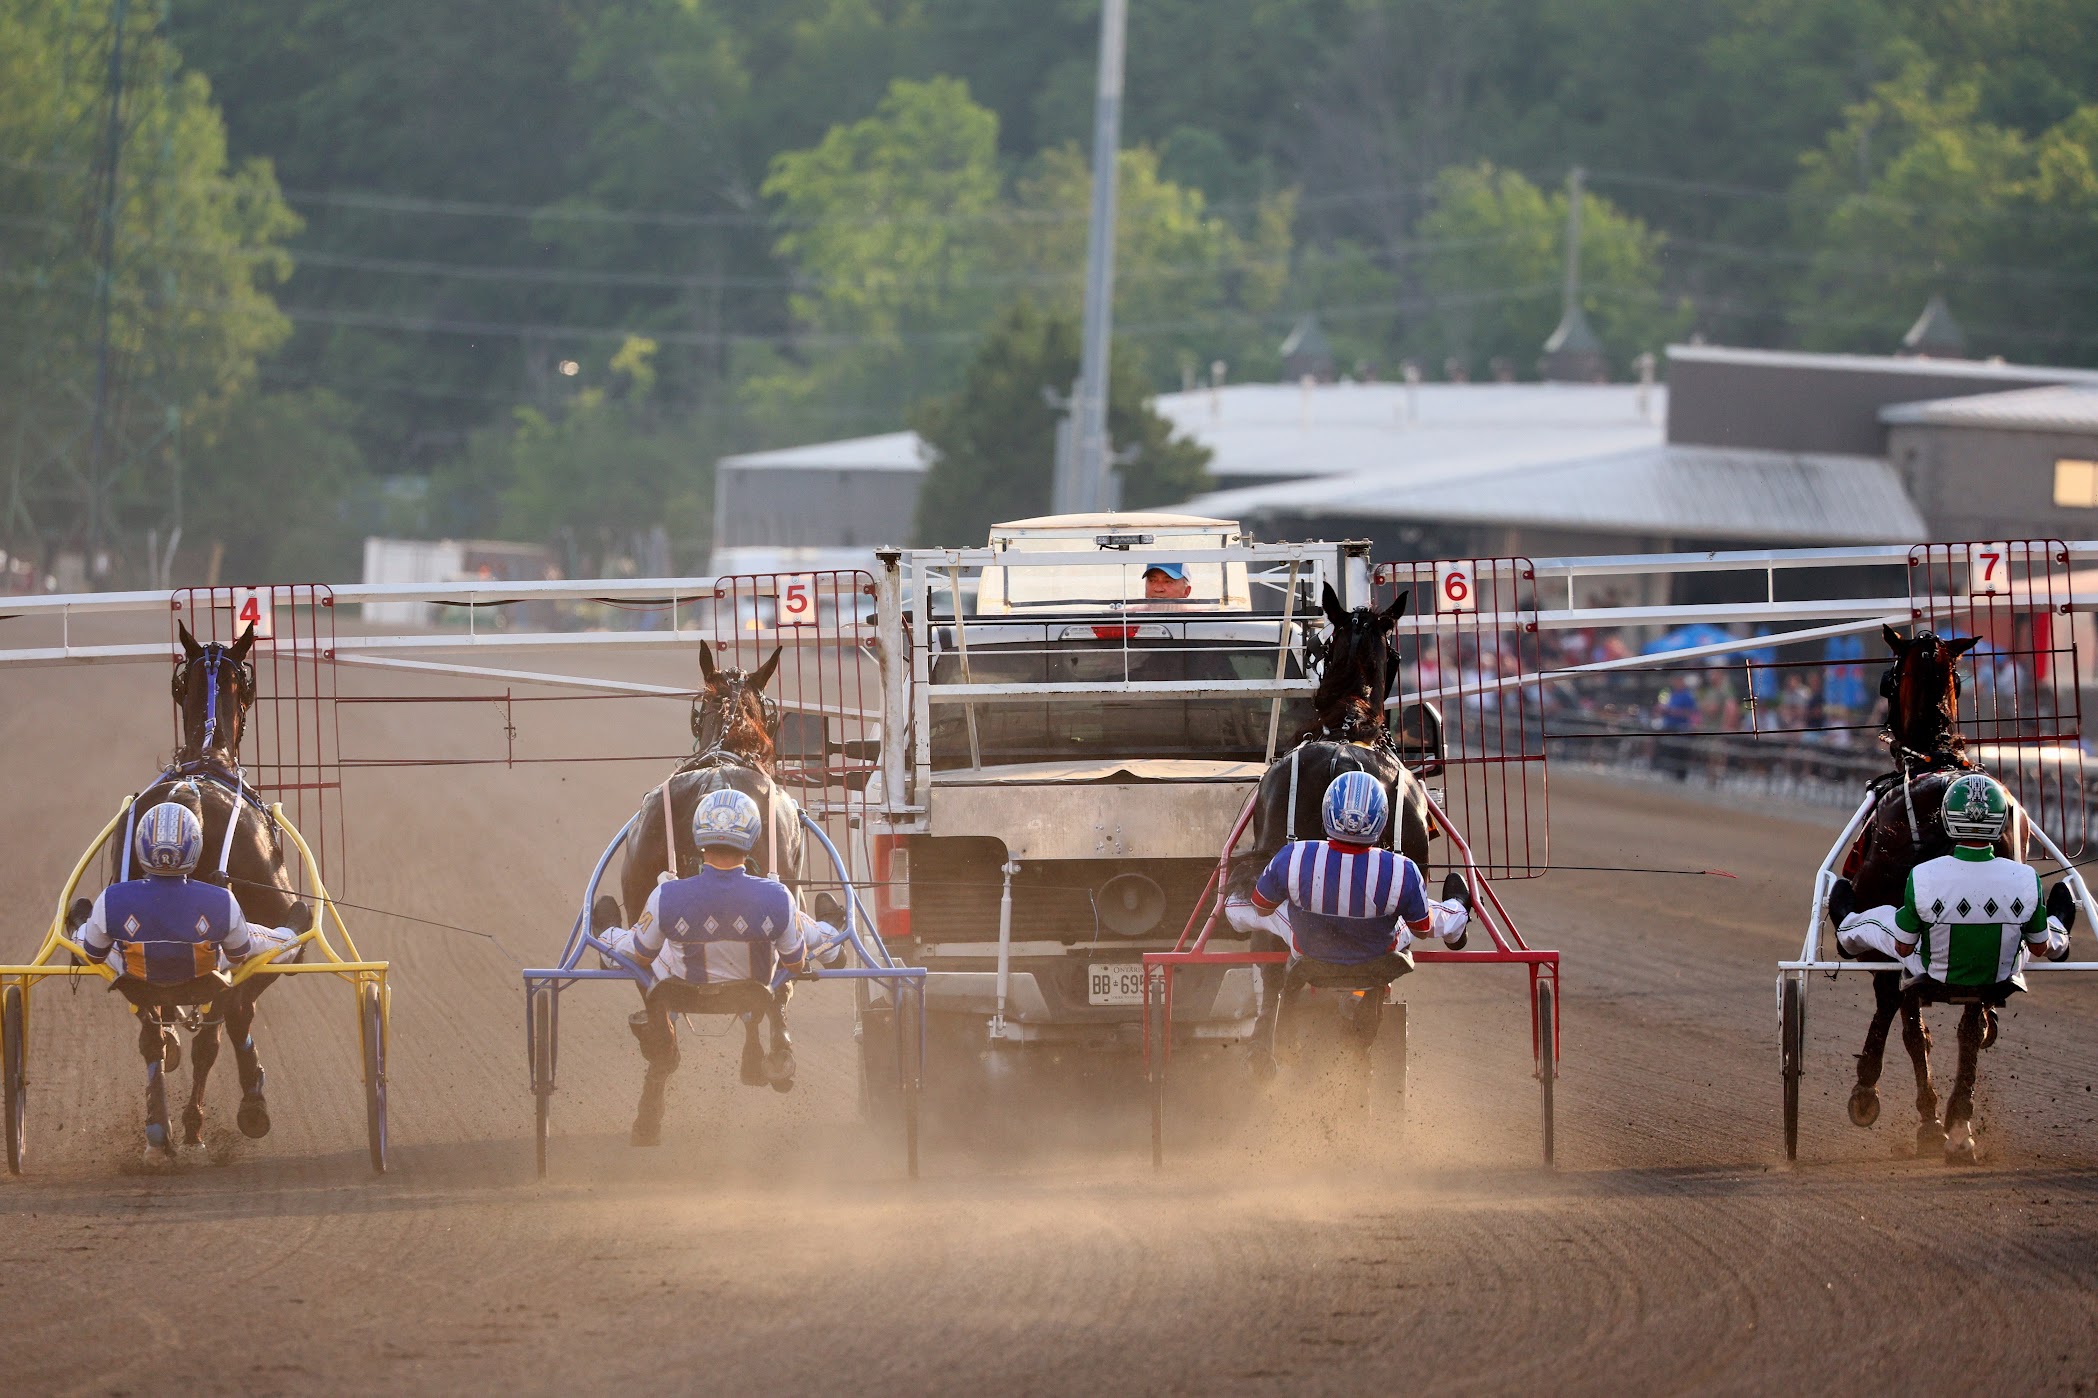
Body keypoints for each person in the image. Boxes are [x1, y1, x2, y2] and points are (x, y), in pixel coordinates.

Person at [1835, 773, 2070, 1162]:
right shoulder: (2027, 879)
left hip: (1933, 974)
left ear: (1946, 821)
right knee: (2049, 932)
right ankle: (2064, 923)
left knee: (1873, 923)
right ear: (2001, 824)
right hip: (1999, 977)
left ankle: (1845, 928)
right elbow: (2039, 946)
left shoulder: (1922, 877)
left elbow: (1903, 944)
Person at [597, 788, 844, 1145]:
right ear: (752, 838)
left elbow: (641, 957)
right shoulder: (776, 897)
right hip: (754, 993)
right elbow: (795, 962)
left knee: (628, 941)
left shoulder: (666, 895)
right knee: (799, 928)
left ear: (698, 837)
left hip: (681, 991)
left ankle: (604, 936)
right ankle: (831, 938)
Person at [66, 802, 305, 1158]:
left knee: (86, 935)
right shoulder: (221, 901)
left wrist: (85, 929)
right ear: (194, 848)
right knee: (271, 942)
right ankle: (293, 931)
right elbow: (239, 956)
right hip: (203, 979)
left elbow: (97, 956)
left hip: (138, 980)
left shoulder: (111, 899)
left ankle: (80, 922)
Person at [1227, 771, 1471, 1075]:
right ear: (1381, 817)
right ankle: (1459, 913)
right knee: (1436, 916)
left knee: (1241, 906)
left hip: (1308, 952)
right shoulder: (1402, 871)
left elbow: (1262, 908)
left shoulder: (1293, 856)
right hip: (1377, 954)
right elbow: (1422, 930)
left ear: (1328, 810)